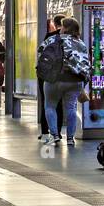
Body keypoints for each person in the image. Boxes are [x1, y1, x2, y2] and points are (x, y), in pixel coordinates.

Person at [40, 19, 91, 147]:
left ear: (65, 28)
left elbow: (40, 52)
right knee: (71, 107)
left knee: (50, 106)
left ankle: (55, 135)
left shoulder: (52, 40)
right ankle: (70, 138)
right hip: (74, 80)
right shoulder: (80, 43)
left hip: (54, 79)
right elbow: (86, 62)